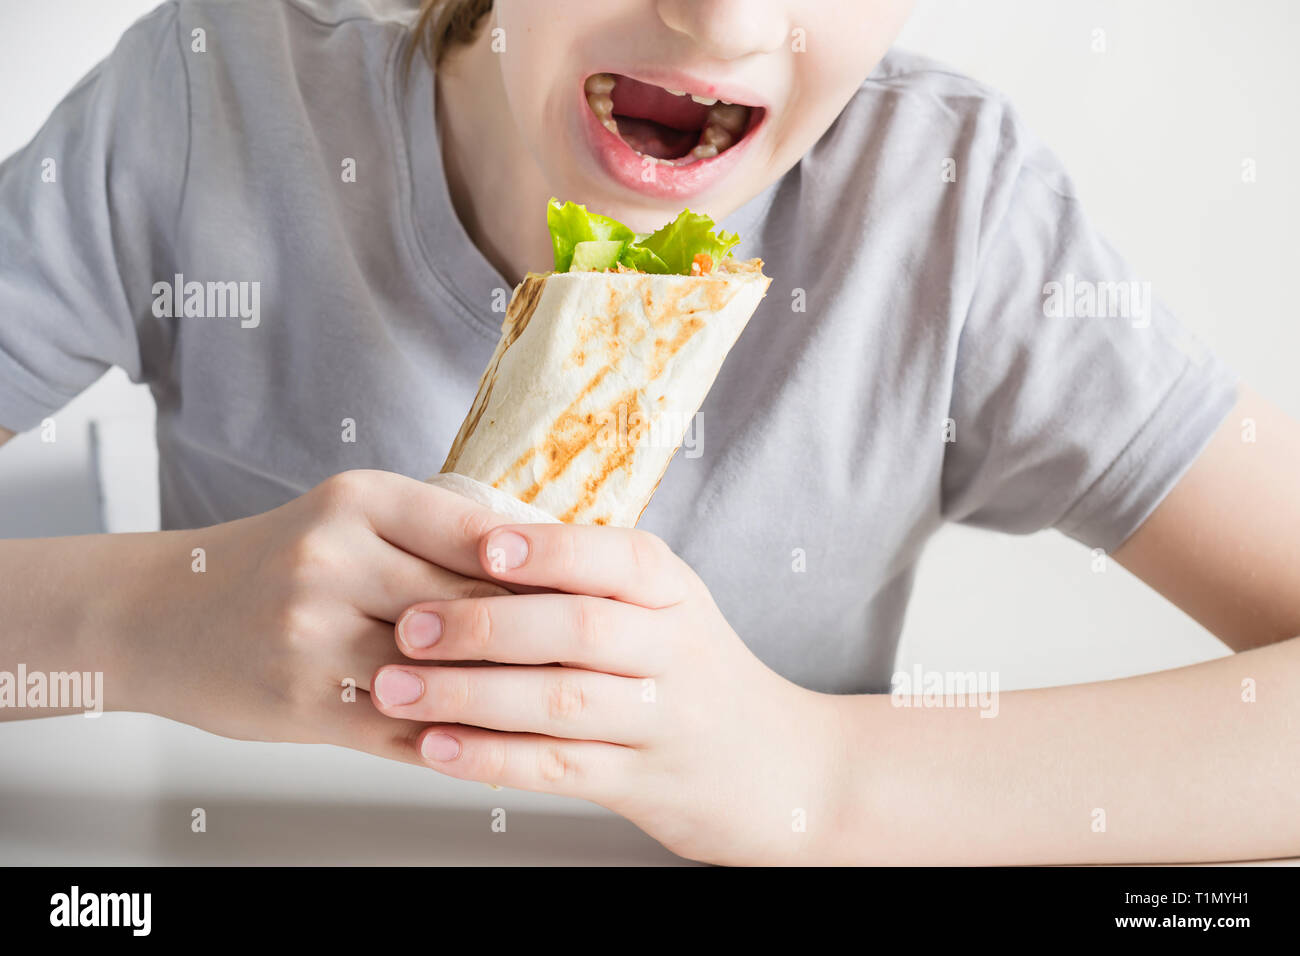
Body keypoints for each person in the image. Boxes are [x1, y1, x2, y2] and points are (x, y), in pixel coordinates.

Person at [0, 0, 1296, 866]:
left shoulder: (945, 218)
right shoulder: (217, 97)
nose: (722, 20)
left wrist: (814, 773)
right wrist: (141, 620)